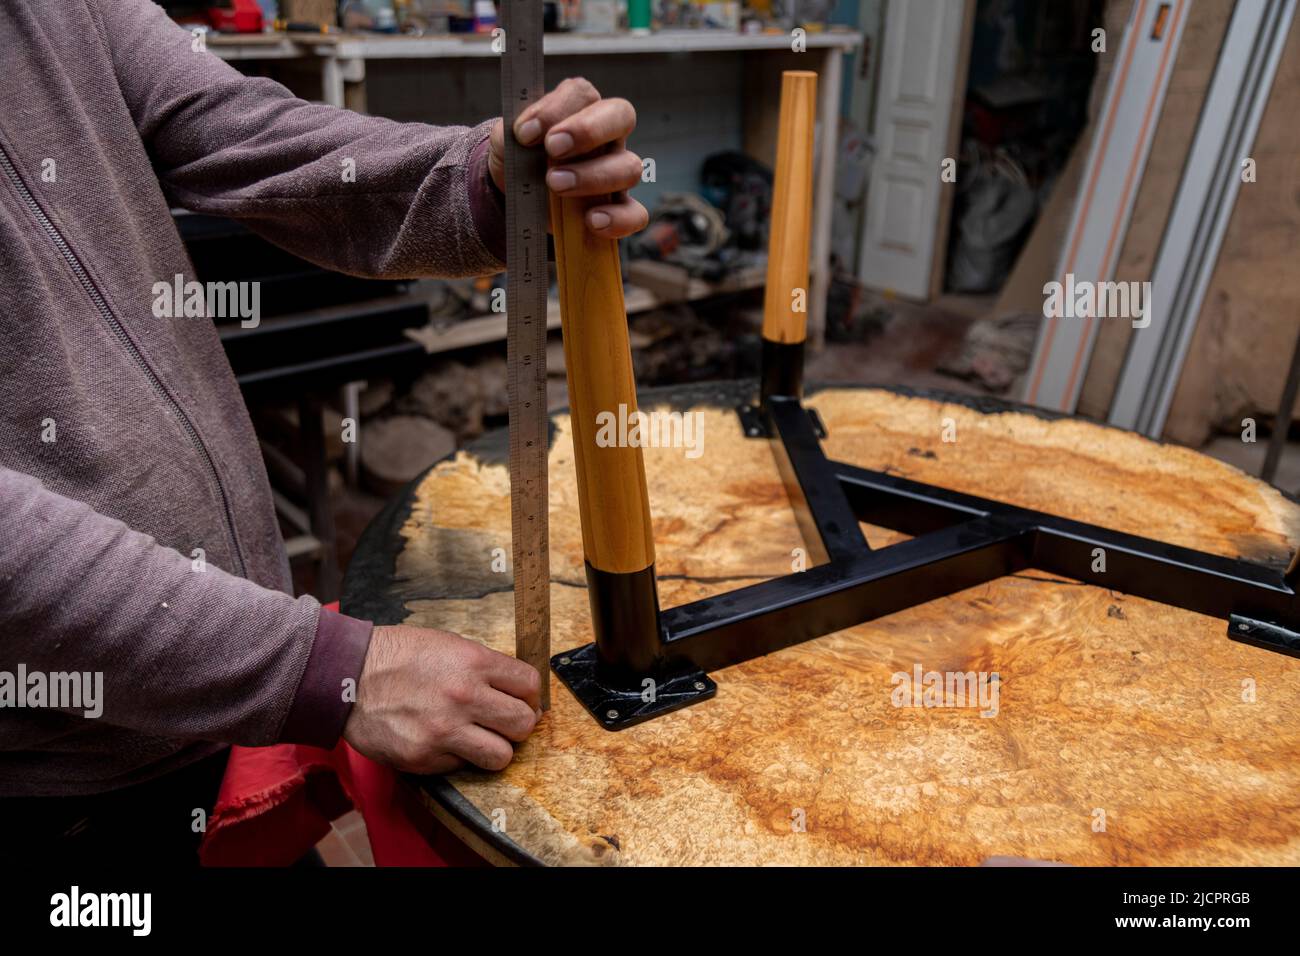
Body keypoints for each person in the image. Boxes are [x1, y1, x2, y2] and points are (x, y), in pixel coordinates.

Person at [0, 0, 647, 862]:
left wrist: (480, 184)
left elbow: (250, 133)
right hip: (52, 781)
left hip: (229, 711)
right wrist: (328, 669)